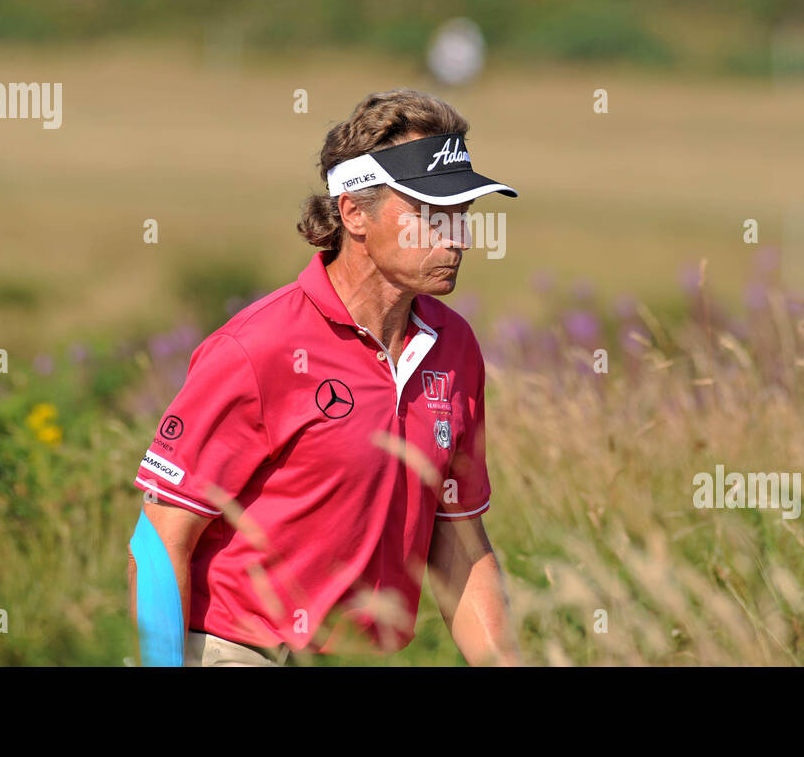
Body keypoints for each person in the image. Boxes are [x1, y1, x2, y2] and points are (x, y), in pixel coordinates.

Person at [127, 88, 522, 666]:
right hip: (243, 652)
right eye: (430, 214)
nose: (457, 236)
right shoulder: (256, 347)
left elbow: (457, 538)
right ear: (353, 212)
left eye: (461, 213)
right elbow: (160, 540)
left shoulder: (456, 348)